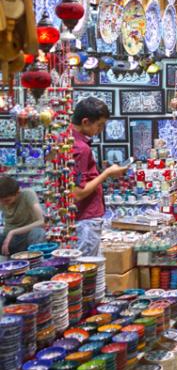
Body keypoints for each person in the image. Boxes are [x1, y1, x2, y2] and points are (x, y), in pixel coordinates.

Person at [71, 97, 128, 256]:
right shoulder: (81, 148)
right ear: (85, 122)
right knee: (86, 265)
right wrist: (107, 173)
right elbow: (77, 193)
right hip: (85, 218)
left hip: (81, 217)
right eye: (100, 125)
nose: (101, 130)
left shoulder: (68, 139)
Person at [0, 176, 45, 256]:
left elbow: (41, 221)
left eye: (7, 200)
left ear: (18, 193)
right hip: (8, 241)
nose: (3, 203)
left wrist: (12, 232)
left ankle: (34, 260)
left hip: (27, 238)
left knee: (38, 232)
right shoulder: (2, 201)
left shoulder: (27, 194)